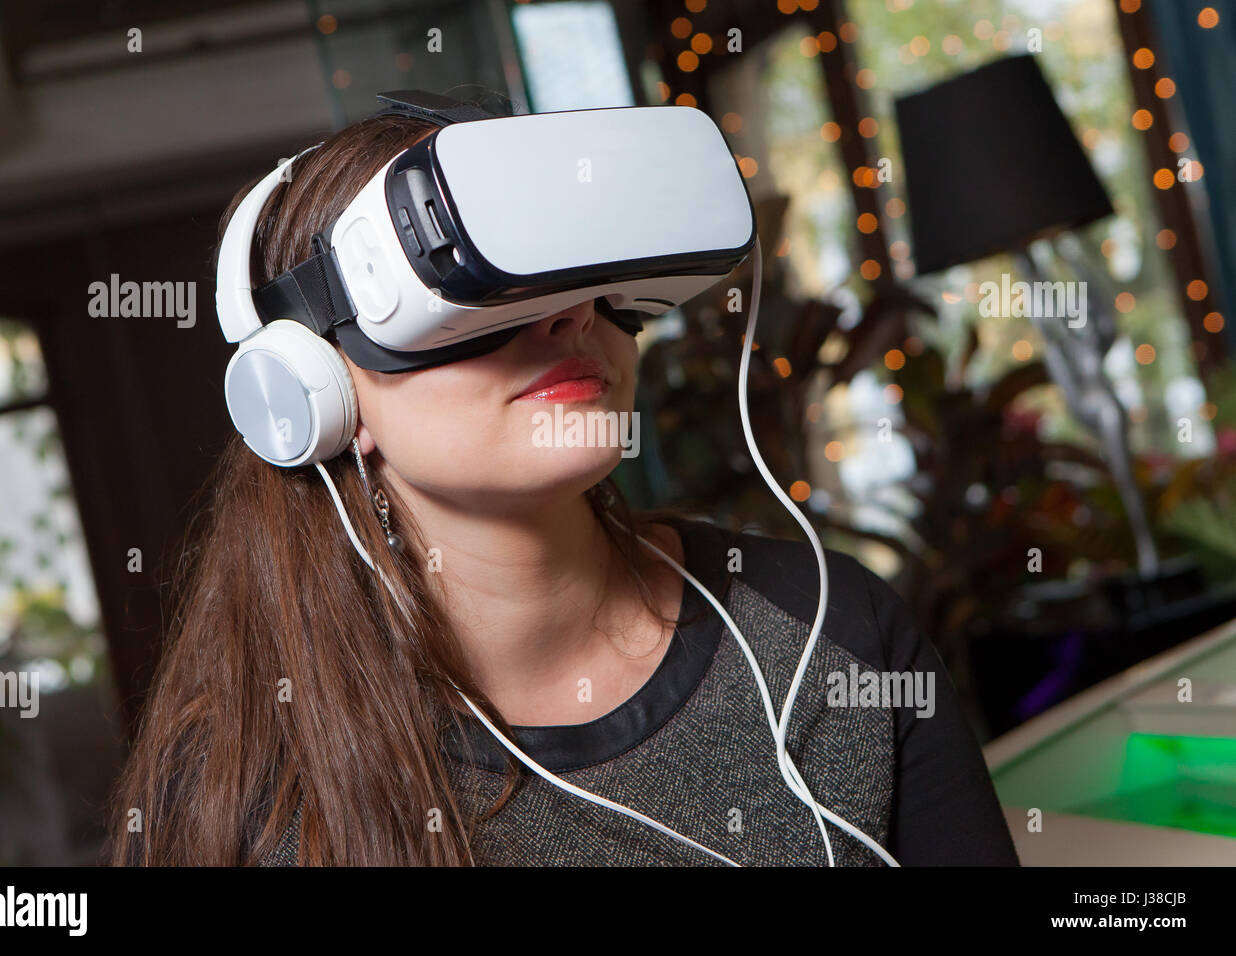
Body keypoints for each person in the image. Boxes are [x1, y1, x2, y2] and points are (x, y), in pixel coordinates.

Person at [106, 111, 1019, 867]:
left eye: (569, 272)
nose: (569, 312)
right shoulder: (244, 792)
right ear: (314, 389)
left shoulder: (829, 629)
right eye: (465, 293)